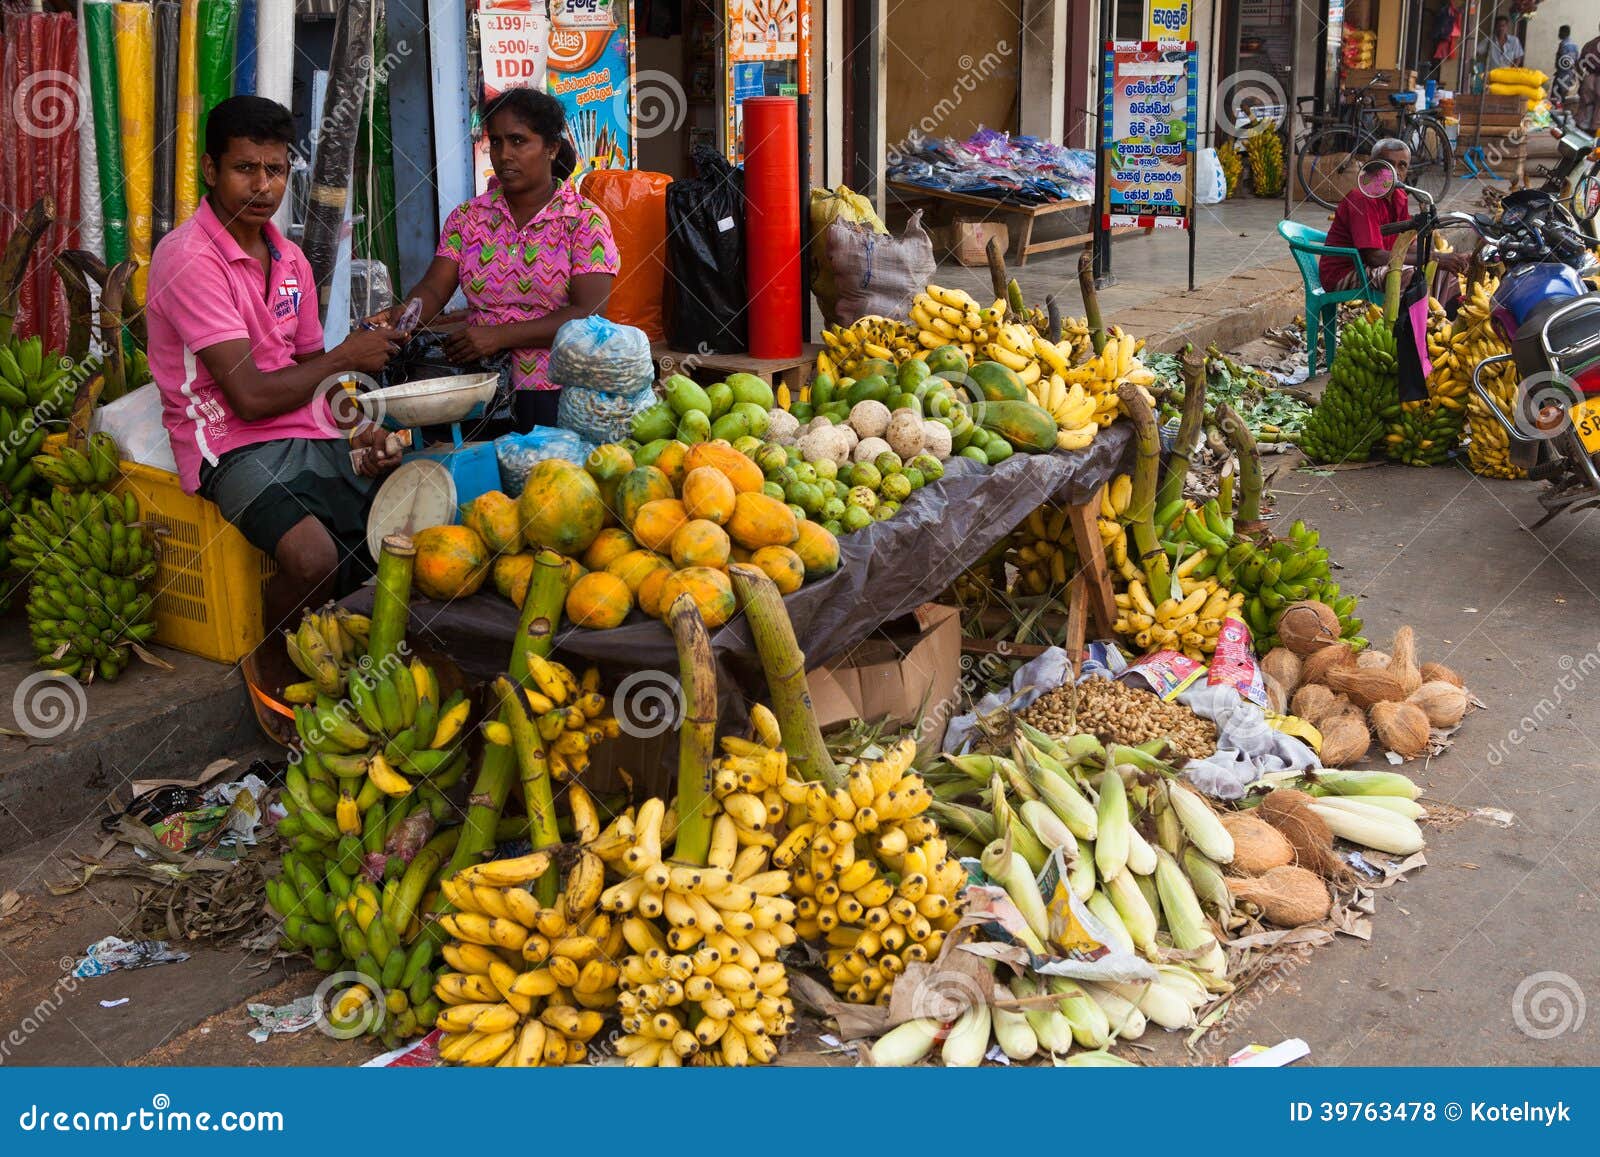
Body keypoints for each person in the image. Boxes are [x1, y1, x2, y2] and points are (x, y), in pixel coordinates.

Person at [145, 96, 404, 632]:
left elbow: (314, 367)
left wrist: (359, 428)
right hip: (228, 446)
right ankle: (273, 670)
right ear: (211, 170)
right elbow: (252, 397)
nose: (264, 187)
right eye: (245, 169)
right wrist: (347, 356)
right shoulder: (189, 257)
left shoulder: (290, 260)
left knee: (404, 513)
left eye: (276, 170)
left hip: (305, 431)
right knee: (312, 560)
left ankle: (342, 649)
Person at [375, 88, 620, 433]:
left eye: (519, 141)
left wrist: (499, 336)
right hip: (480, 387)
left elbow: (587, 315)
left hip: (558, 391)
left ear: (551, 147)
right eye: (497, 142)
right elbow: (434, 287)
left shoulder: (584, 221)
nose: (504, 155)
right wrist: (404, 316)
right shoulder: (467, 218)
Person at [1318, 140, 1469, 306]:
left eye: (1402, 165)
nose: (1395, 172)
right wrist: (1433, 257)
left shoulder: (1400, 197)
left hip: (1375, 268)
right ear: (1372, 166)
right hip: (1346, 274)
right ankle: (1406, 330)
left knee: (1442, 269)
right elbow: (1374, 257)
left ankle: (1444, 322)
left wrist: (1439, 258)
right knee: (1408, 275)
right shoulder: (1361, 199)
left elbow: (1406, 245)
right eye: (1388, 164)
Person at [1554, 24, 1579, 105]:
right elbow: (1577, 60)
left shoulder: (1563, 44)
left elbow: (1564, 59)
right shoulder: (1575, 45)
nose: (1558, 34)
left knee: (1558, 97)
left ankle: (1559, 112)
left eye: (1560, 32)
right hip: (1570, 74)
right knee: (1567, 95)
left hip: (1563, 74)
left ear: (1563, 33)